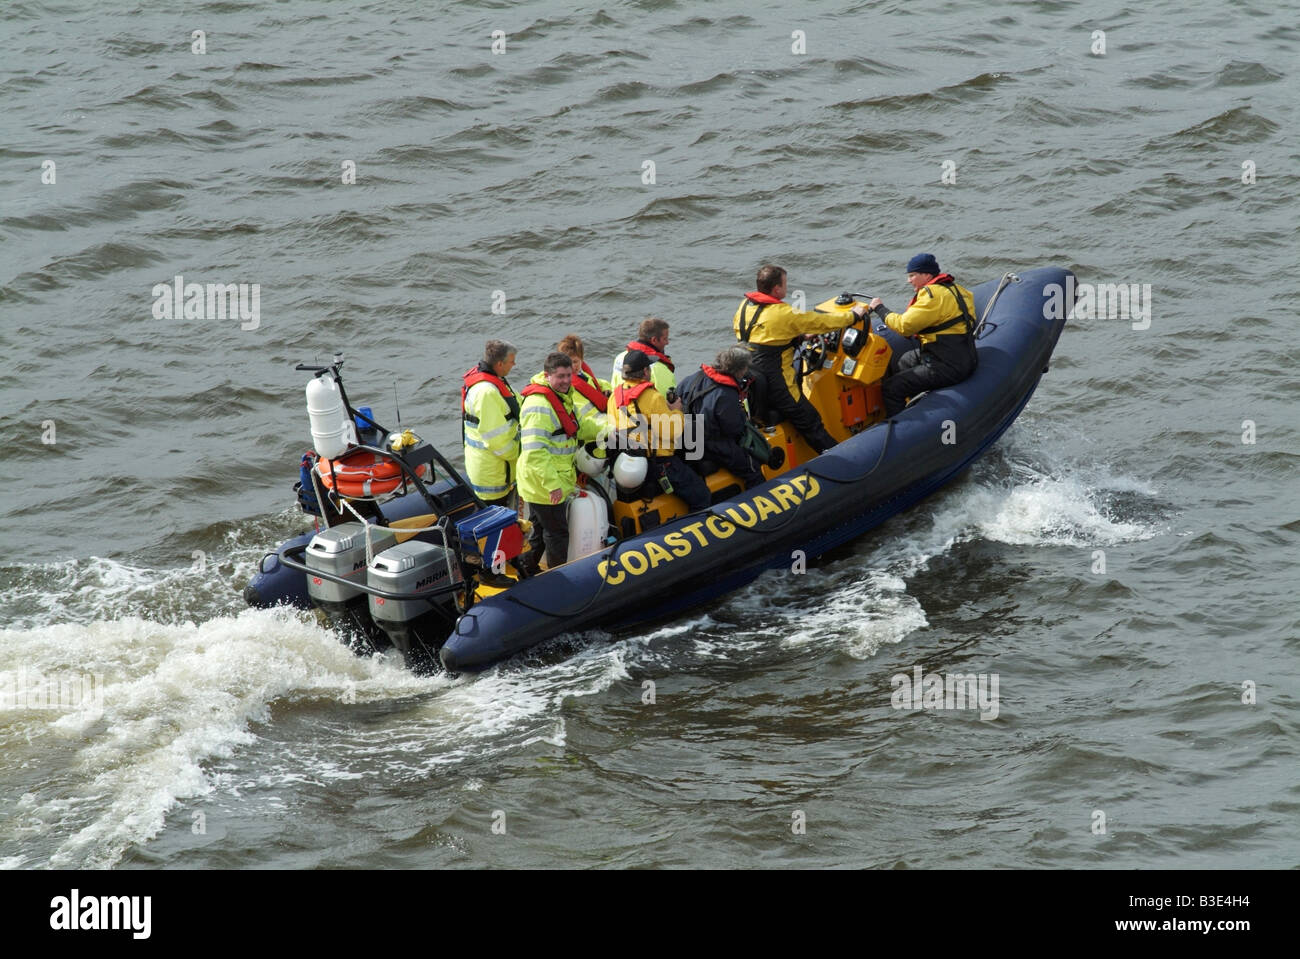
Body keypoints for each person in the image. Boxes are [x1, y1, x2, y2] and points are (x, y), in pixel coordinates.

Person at [734, 264, 868, 453]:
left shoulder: (744, 307)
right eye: (785, 284)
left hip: (753, 378)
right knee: (810, 420)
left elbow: (763, 337)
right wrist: (852, 317)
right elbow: (820, 322)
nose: (787, 288)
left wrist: (796, 337)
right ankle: (839, 458)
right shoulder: (783, 314)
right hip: (779, 383)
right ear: (776, 289)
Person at [517, 352, 604, 574]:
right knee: (557, 533)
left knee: (540, 529)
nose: (566, 381)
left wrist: (609, 429)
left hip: (545, 480)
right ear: (547, 376)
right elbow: (535, 452)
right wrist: (552, 484)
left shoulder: (562, 397)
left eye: (569, 375)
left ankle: (526, 569)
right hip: (544, 483)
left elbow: (580, 427)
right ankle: (558, 578)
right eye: (561, 376)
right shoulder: (539, 407)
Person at [867, 253, 978, 418]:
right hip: (962, 354)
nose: (909, 280)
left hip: (948, 365)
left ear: (926, 275)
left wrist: (880, 309)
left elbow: (904, 326)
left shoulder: (932, 296)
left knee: (892, 388)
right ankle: (917, 406)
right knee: (906, 360)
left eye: (912, 275)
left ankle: (902, 428)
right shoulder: (956, 289)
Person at [608, 350, 711, 511]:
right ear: (645, 372)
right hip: (661, 464)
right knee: (702, 496)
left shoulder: (615, 397)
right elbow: (673, 431)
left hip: (634, 462)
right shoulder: (652, 397)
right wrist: (677, 410)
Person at [677, 346, 766, 489]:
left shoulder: (693, 378)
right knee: (752, 467)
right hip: (710, 444)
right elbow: (733, 428)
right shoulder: (725, 394)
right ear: (739, 370)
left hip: (687, 439)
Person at [460, 339, 519, 505]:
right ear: (500, 364)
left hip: (495, 469)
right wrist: (522, 452)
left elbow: (517, 401)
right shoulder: (486, 392)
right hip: (492, 477)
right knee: (495, 521)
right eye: (511, 361)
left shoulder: (494, 381)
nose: (514, 364)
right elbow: (497, 441)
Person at [557, 333, 610, 429]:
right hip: (592, 433)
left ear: (582, 359)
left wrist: (606, 389)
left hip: (603, 424)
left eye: (575, 362)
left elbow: (598, 383)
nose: (573, 366)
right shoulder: (566, 387)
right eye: (568, 363)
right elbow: (584, 418)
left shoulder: (583, 375)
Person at [610, 317, 675, 395]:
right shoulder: (657, 367)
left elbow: (614, 386)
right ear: (654, 340)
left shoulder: (620, 357)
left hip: (618, 403)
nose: (667, 342)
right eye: (665, 339)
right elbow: (666, 398)